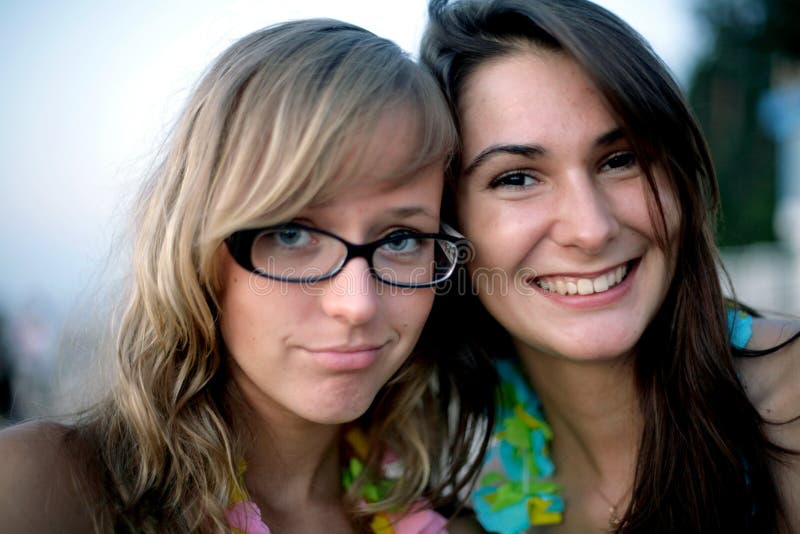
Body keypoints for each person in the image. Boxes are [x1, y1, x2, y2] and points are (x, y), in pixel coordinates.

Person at [0, 19, 496, 533]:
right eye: (290, 233)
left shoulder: (451, 525)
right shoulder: (41, 491)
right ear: (198, 249)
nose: (357, 304)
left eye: (400, 240)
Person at [421, 0, 800, 532]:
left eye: (620, 160)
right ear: (446, 222)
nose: (591, 228)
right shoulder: (446, 501)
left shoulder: (793, 397)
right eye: (517, 178)